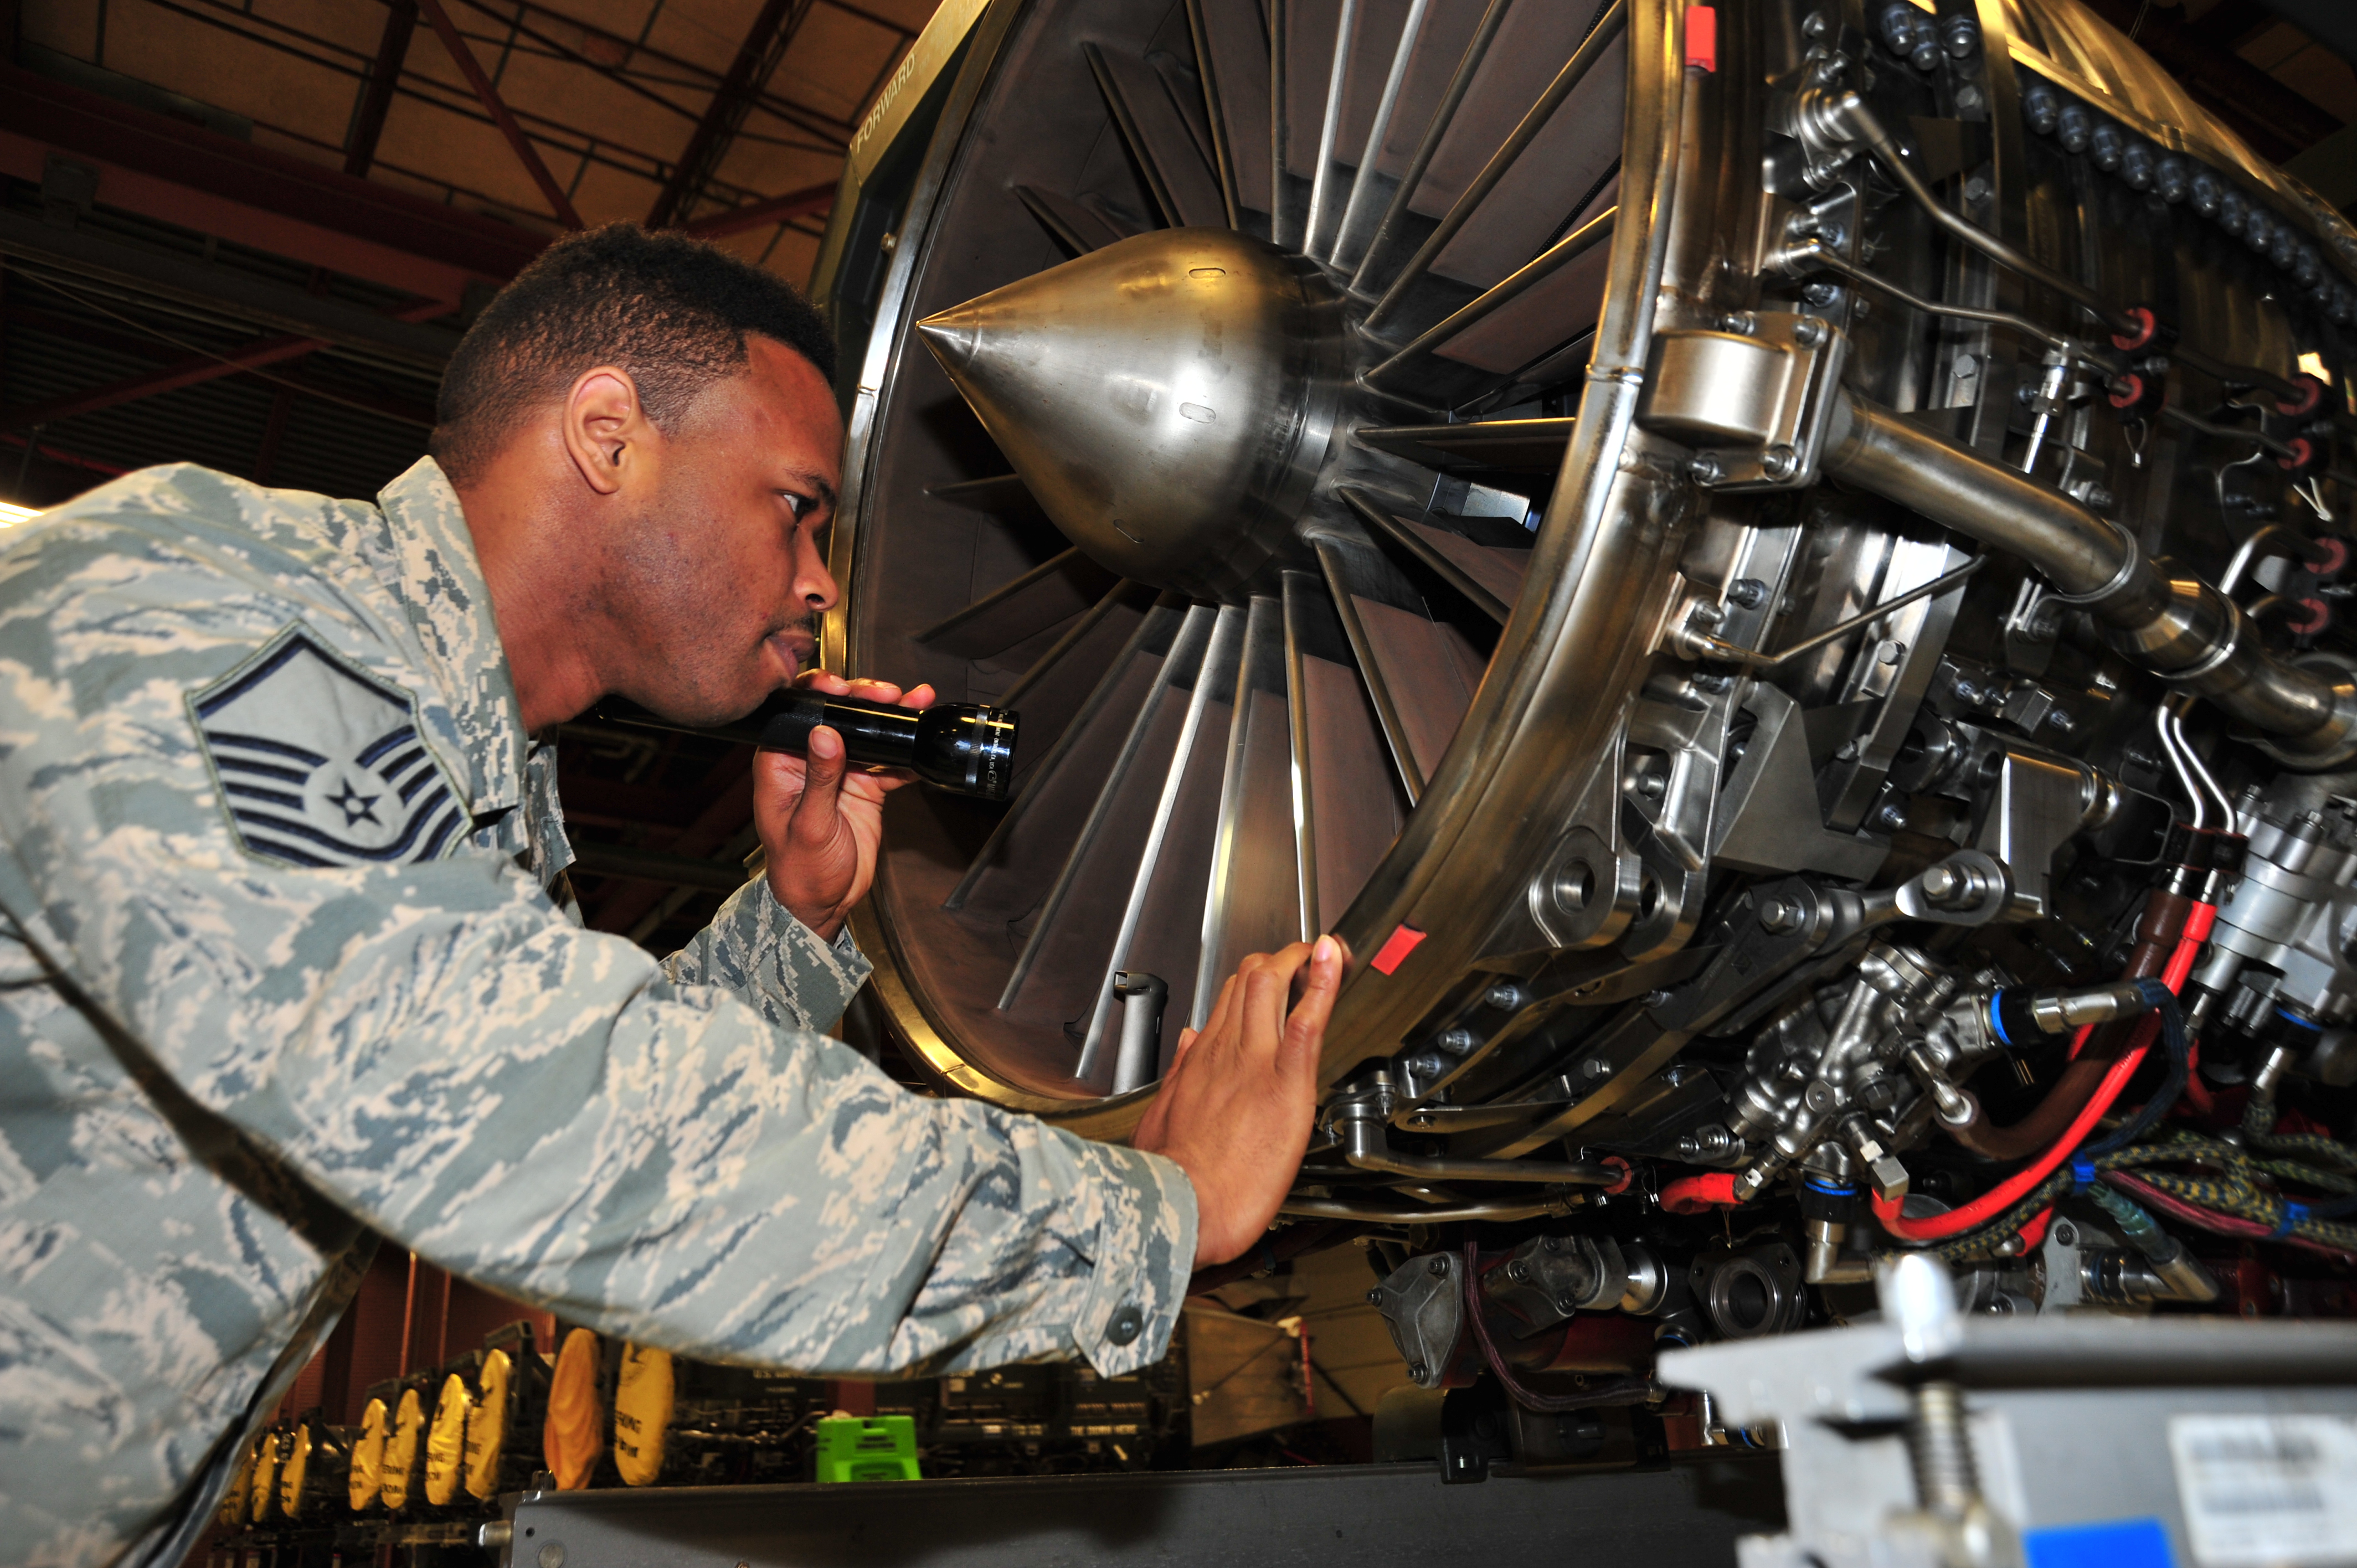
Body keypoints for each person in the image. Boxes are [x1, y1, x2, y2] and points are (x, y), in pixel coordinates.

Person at [0, 224, 1342, 1564]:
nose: (820, 583)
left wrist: (793, 917)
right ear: (607, 435)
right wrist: (1148, 1211)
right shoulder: (216, 600)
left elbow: (543, 1099)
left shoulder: (472, 785)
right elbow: (536, 1113)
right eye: (797, 505)